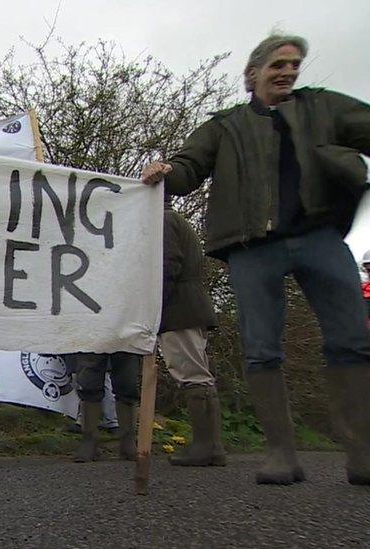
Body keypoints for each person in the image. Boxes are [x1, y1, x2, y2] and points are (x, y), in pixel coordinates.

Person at [142, 34, 370, 485]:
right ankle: (281, 454)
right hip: (252, 245)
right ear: (252, 75)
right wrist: (166, 171)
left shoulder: (322, 108)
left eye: (294, 64)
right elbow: (188, 166)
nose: (287, 71)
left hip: (320, 236)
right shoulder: (225, 126)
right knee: (262, 348)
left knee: (351, 341)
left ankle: (362, 454)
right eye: (277, 64)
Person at [160, 203, 225, 467]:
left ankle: (206, 446)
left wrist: (155, 305)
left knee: (192, 374)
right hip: (187, 307)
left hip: (180, 308)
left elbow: (167, 266)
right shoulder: (173, 220)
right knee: (196, 374)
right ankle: (211, 445)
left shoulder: (164, 221)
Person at [69, 353, 139, 462]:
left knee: (127, 380)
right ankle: (89, 437)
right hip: (93, 337)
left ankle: (127, 437)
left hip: (126, 338)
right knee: (89, 378)